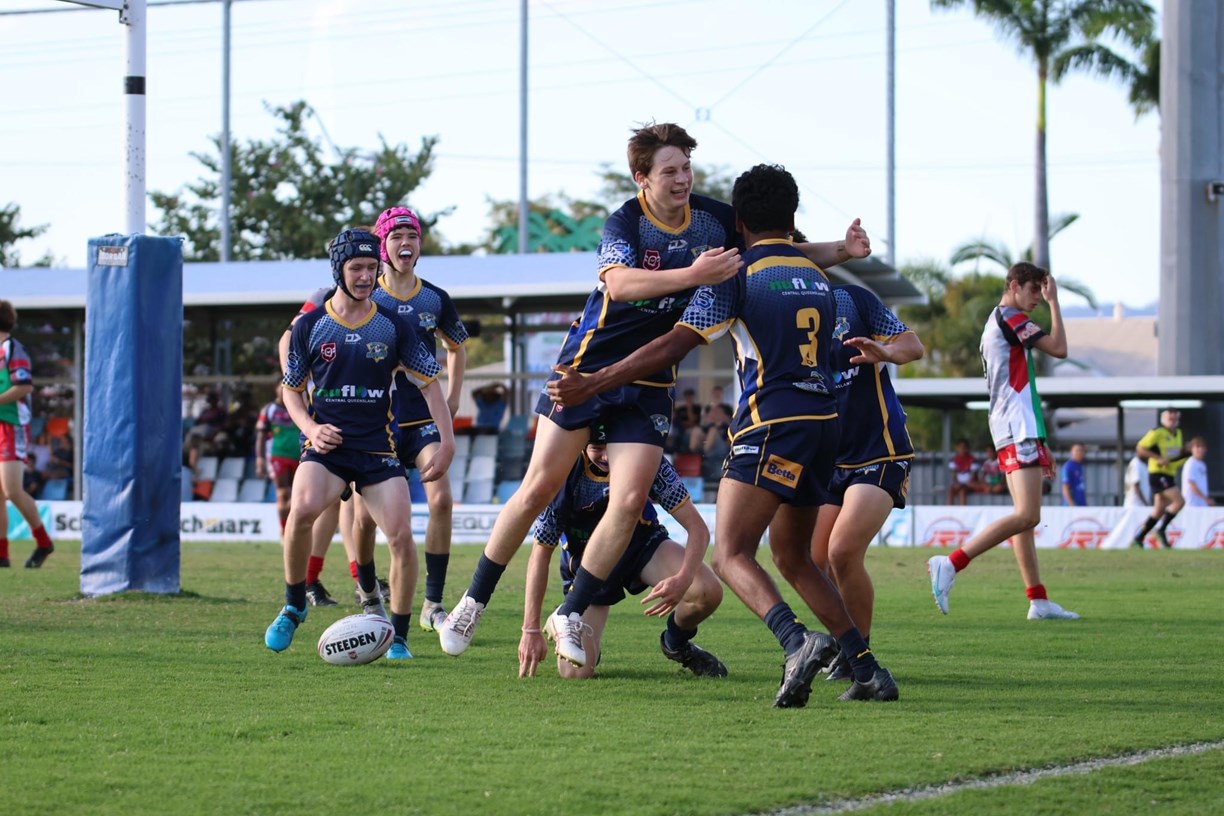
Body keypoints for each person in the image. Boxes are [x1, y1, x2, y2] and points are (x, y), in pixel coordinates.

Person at [436, 123, 870, 665]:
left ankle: (571, 611)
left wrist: (841, 251)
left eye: (687, 168)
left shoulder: (713, 218)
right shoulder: (626, 221)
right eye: (669, 170)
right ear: (642, 178)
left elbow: (773, 252)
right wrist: (692, 273)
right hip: (587, 366)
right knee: (539, 487)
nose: (682, 179)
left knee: (628, 499)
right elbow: (618, 283)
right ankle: (472, 602)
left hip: (647, 383)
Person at [548, 164, 897, 706]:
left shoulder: (737, 276)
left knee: (730, 554)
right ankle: (868, 669)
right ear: (793, 216)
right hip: (825, 426)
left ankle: (796, 641)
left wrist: (596, 380)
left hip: (771, 423)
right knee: (795, 556)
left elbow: (672, 345)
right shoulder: (819, 280)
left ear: (739, 221)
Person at [263, 228, 455, 660]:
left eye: (372, 267)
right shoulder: (310, 326)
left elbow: (429, 385)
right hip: (328, 448)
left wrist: (446, 442)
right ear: (339, 271)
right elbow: (292, 390)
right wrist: (311, 429)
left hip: (377, 450)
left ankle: (400, 637)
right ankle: (293, 605)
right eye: (357, 268)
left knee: (402, 537)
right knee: (302, 513)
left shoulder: (394, 326)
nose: (367, 276)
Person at [927, 262, 1079, 621]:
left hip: (1014, 427)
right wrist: (1056, 302)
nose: (1039, 298)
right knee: (1027, 515)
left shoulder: (999, 321)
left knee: (1024, 520)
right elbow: (1059, 348)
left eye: (1043, 293)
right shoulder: (1010, 317)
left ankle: (1038, 600)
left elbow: (1022, 384)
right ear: (1014, 285)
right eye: (1034, 291)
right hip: (1016, 427)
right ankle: (950, 563)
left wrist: (1041, 442)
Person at [517, 426, 725, 680]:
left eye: (610, 447)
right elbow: (540, 552)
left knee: (708, 592)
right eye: (597, 448)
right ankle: (577, 626)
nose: (605, 456)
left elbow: (698, 529)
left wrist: (683, 579)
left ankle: (676, 643)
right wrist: (530, 630)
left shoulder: (647, 458)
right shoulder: (561, 473)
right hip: (589, 569)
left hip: (643, 549)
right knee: (574, 673)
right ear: (581, 445)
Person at [356, 205, 469, 633]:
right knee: (366, 518)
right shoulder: (368, 296)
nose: (406, 244)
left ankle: (432, 604)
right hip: (375, 424)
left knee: (441, 500)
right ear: (383, 245)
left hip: (422, 418)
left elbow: (457, 346)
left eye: (413, 237)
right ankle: (369, 595)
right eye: (397, 237)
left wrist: (453, 398)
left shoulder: (434, 298)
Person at [810, 284, 925, 683]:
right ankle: (845, 641)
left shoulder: (853, 300)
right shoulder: (774, 313)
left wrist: (888, 353)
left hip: (880, 450)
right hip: (828, 459)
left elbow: (913, 345)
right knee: (813, 561)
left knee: (841, 552)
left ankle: (857, 651)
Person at [0, 300, 55, 569]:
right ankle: (2, 555)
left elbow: (24, 386)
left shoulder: (12, 349)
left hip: (12, 425)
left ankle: (44, 541)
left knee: (12, 490)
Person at [1131, 409, 1189, 549]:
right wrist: (1157, 458)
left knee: (1159, 510)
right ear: (1164, 418)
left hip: (1169, 474)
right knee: (1179, 501)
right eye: (1169, 417)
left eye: (1174, 417)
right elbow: (1140, 448)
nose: (1172, 420)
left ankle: (1139, 537)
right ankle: (1161, 529)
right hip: (1157, 473)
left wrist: (1186, 452)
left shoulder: (1178, 433)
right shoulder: (1157, 432)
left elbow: (1175, 455)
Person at [1181, 436, 1213, 508]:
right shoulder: (1190, 463)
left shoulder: (1202, 465)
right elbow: (1192, 484)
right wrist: (1206, 499)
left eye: (1202, 447)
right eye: (1197, 447)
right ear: (1192, 449)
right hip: (1192, 504)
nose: (1200, 449)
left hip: (1202, 504)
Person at [946, 439, 978, 505]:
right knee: (950, 490)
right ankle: (949, 511)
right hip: (958, 483)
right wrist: (956, 483)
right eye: (960, 447)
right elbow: (953, 475)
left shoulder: (972, 459)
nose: (962, 449)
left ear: (967, 448)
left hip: (969, 484)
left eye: (964, 447)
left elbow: (973, 475)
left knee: (962, 491)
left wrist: (966, 483)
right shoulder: (954, 459)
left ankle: (962, 510)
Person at [1060, 442, 1087, 507]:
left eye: (1082, 451)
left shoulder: (1079, 466)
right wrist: (1072, 505)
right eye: (1077, 450)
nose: (1079, 453)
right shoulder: (1068, 467)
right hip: (1072, 507)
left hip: (1081, 505)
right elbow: (1065, 488)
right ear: (1071, 451)